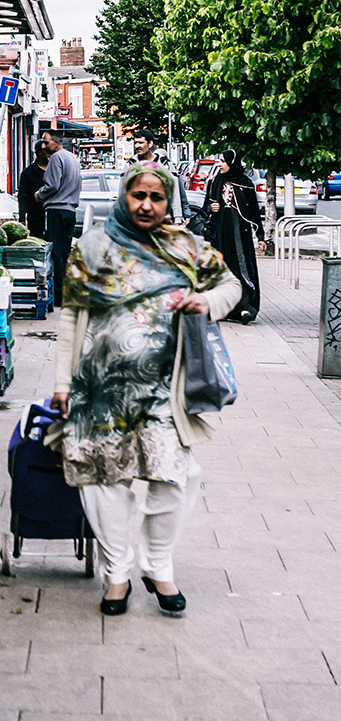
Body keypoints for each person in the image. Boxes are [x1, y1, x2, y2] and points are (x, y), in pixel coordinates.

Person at [50, 165, 241, 616]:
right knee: (103, 481)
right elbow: (71, 316)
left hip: (162, 393)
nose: (147, 205)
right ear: (125, 196)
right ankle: (117, 574)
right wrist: (62, 384)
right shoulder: (92, 246)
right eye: (139, 195)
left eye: (157, 197)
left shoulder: (186, 247)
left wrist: (207, 301)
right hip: (98, 390)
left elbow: (231, 285)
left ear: (168, 201)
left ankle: (158, 565)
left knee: (176, 478)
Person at [206, 150, 264, 323]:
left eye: (223, 161)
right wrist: (210, 208)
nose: (219, 164)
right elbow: (205, 206)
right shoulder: (215, 181)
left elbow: (254, 211)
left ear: (232, 163)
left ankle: (244, 308)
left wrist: (260, 236)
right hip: (219, 233)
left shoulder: (245, 183)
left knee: (240, 268)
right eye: (219, 161)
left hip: (239, 233)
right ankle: (222, 309)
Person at [35, 130, 81, 305]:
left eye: (46, 142)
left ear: (56, 142)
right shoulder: (72, 158)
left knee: (56, 253)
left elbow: (52, 185)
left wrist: (39, 195)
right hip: (70, 210)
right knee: (66, 252)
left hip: (56, 209)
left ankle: (60, 295)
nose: (43, 146)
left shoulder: (56, 158)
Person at [133, 128, 189, 223]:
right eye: (135, 143)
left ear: (150, 144)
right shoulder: (131, 165)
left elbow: (175, 192)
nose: (137, 146)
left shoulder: (165, 165)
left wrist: (178, 219)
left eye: (140, 143)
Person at [16, 142, 50, 238]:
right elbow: (23, 196)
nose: (49, 153)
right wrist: (22, 217)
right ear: (39, 153)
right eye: (45, 150)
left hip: (53, 214)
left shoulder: (55, 170)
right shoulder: (28, 173)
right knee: (37, 240)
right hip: (35, 215)